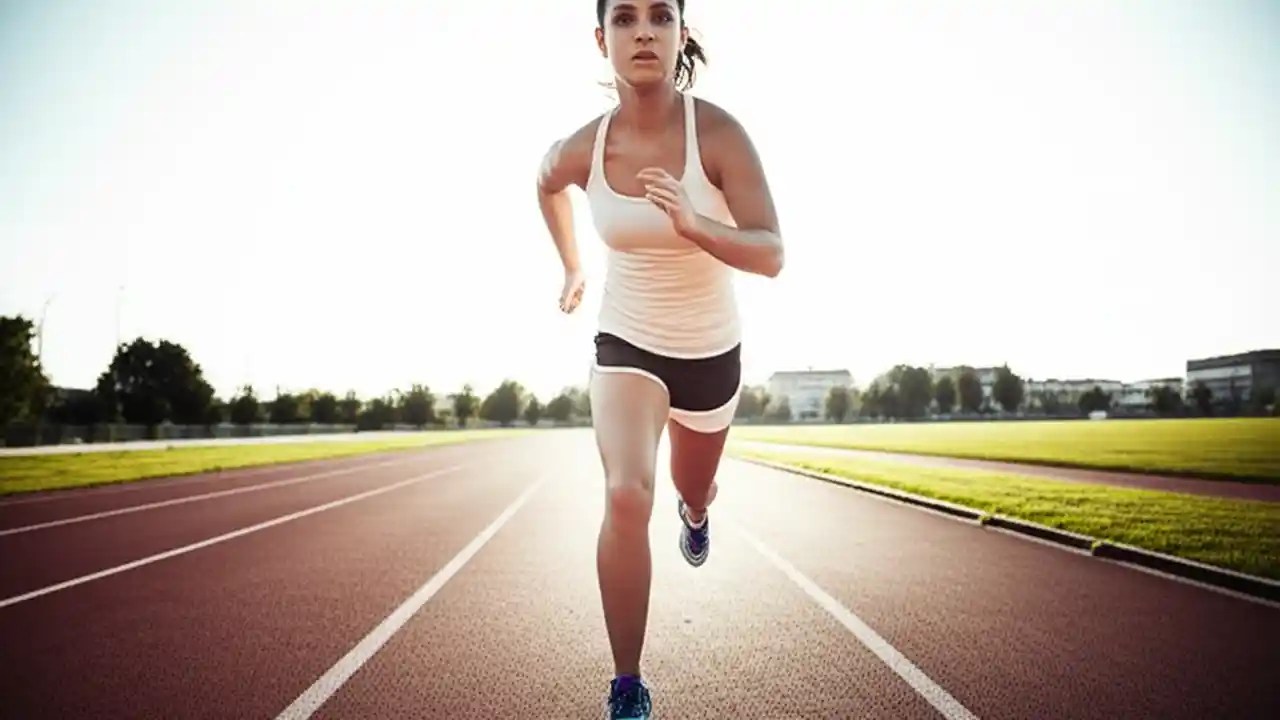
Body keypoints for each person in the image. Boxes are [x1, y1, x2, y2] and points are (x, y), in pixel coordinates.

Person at [536, 1, 784, 717]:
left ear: (679, 32)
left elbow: (771, 252)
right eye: (623, 17)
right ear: (601, 38)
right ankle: (626, 685)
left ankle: (699, 512)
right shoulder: (587, 145)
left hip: (710, 352)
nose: (641, 30)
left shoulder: (720, 135)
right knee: (623, 494)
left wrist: (695, 224)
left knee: (691, 488)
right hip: (627, 343)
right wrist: (572, 268)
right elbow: (544, 181)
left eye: (657, 16)